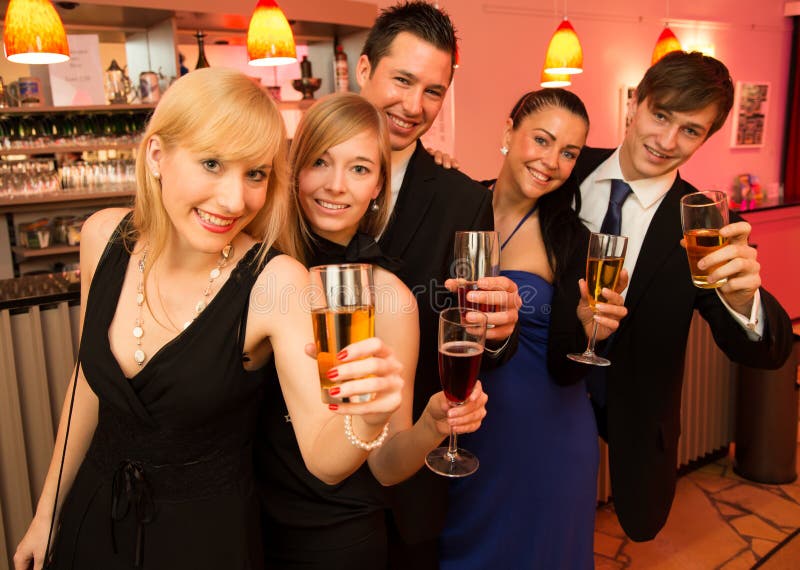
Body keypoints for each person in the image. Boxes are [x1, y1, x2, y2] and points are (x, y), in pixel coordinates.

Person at [13, 68, 404, 570]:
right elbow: (88, 386)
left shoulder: (275, 281)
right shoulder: (103, 238)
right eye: (212, 163)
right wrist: (46, 512)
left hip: (206, 541)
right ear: (157, 156)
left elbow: (324, 461)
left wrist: (367, 417)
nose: (234, 200)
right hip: (95, 519)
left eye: (255, 174)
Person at [548, 51, 794, 542]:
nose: (666, 141)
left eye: (690, 130)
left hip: (634, 422)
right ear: (635, 103)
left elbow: (765, 352)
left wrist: (745, 301)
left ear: (706, 138)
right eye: (661, 115)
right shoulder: (562, 173)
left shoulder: (702, 223)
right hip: (546, 400)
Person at [255, 92, 488, 569]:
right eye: (320, 162)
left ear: (380, 185)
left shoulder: (387, 296)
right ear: (293, 168)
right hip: (240, 525)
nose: (337, 186)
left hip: (329, 538)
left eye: (360, 169)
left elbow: (385, 466)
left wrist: (429, 426)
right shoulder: (255, 264)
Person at [353, 2, 522, 566]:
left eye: (433, 91)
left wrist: (498, 331)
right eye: (402, 80)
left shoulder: (463, 199)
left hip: (410, 481)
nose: (414, 106)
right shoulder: (300, 178)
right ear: (363, 70)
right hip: (298, 474)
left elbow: (477, 335)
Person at [439, 89, 628, 569]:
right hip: (463, 429)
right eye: (542, 140)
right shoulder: (454, 204)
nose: (552, 162)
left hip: (550, 439)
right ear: (509, 132)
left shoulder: (573, 239)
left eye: (569, 153)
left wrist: (592, 329)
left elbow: (571, 358)